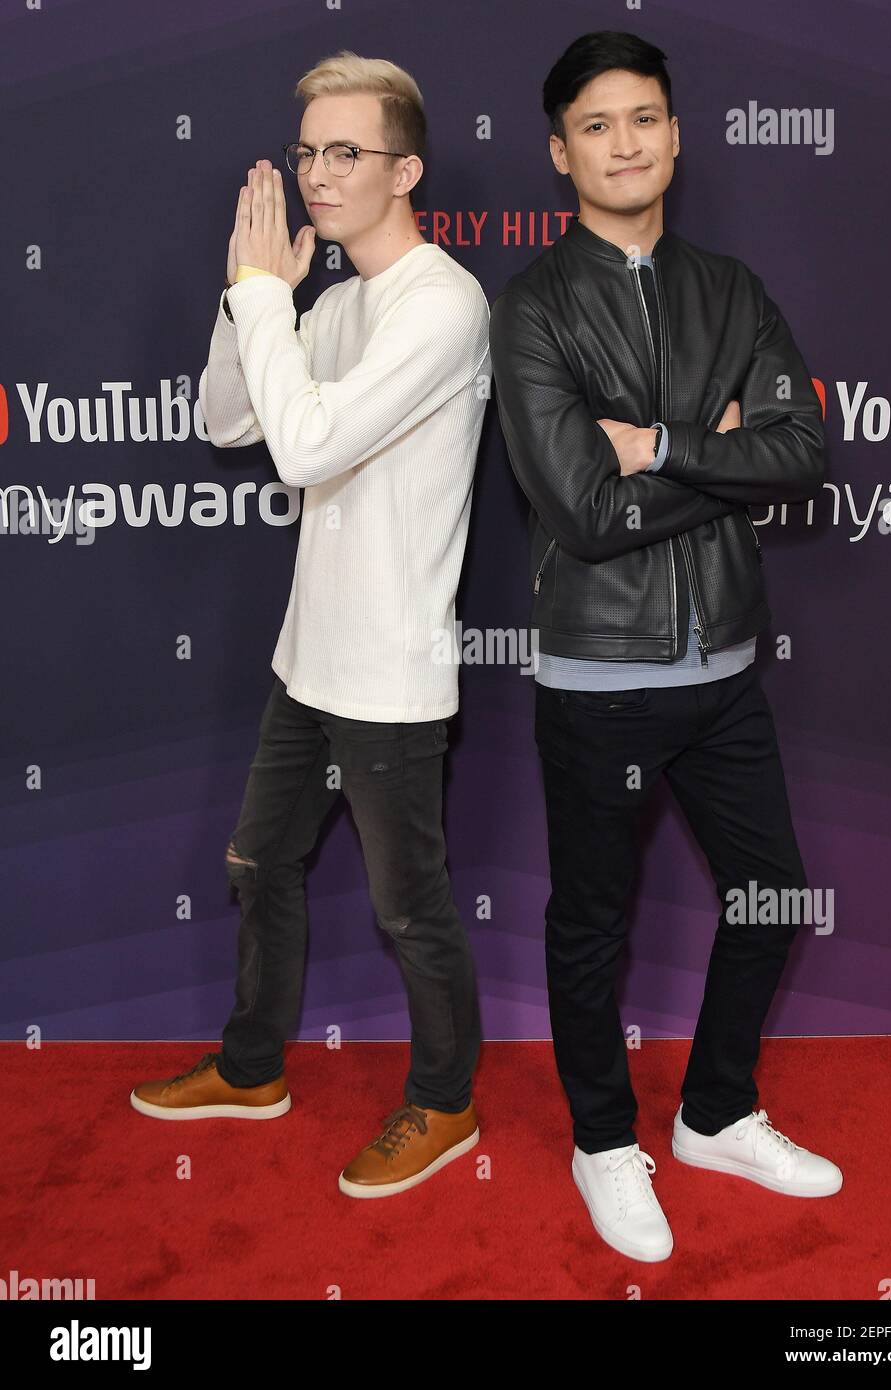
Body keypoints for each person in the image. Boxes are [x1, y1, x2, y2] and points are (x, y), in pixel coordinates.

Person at [488, 30, 842, 1262]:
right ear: (559, 151)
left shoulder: (732, 290)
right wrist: (720, 450)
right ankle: (602, 1143)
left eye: (644, 119)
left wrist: (659, 444)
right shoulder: (529, 309)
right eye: (597, 124)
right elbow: (583, 514)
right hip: (600, 683)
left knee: (775, 892)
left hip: (726, 669)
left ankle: (716, 1110)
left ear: (677, 136)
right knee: (592, 922)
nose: (624, 142)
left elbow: (802, 452)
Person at [130, 50, 491, 1200]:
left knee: (408, 906)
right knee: (257, 863)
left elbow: (311, 448)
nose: (319, 176)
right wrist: (257, 298)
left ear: (406, 168)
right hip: (309, 661)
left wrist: (260, 301)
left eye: (347, 152)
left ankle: (444, 1103)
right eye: (307, 153)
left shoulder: (445, 303)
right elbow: (231, 418)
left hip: (388, 674)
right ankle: (251, 1070)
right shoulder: (331, 303)